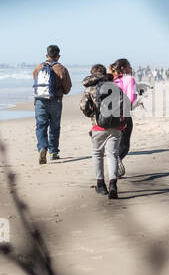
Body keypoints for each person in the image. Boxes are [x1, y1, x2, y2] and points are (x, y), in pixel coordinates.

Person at [81, 63, 129, 200]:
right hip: (116, 126)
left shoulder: (90, 89)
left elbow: (83, 106)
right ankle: (113, 184)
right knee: (112, 154)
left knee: (97, 154)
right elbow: (126, 104)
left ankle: (101, 185)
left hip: (98, 126)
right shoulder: (115, 86)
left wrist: (91, 114)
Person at [32, 44, 72, 164]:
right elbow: (67, 87)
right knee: (55, 126)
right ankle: (53, 152)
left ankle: (42, 147)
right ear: (58, 56)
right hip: (56, 100)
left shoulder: (38, 67)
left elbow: (35, 81)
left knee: (41, 126)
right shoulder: (61, 68)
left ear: (46, 55)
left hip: (40, 100)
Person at [110, 58, 139, 177]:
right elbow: (131, 98)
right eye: (129, 66)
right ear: (123, 68)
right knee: (124, 144)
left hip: (109, 115)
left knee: (113, 143)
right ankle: (116, 161)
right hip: (123, 114)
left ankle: (113, 169)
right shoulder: (129, 79)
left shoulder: (110, 79)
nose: (130, 68)